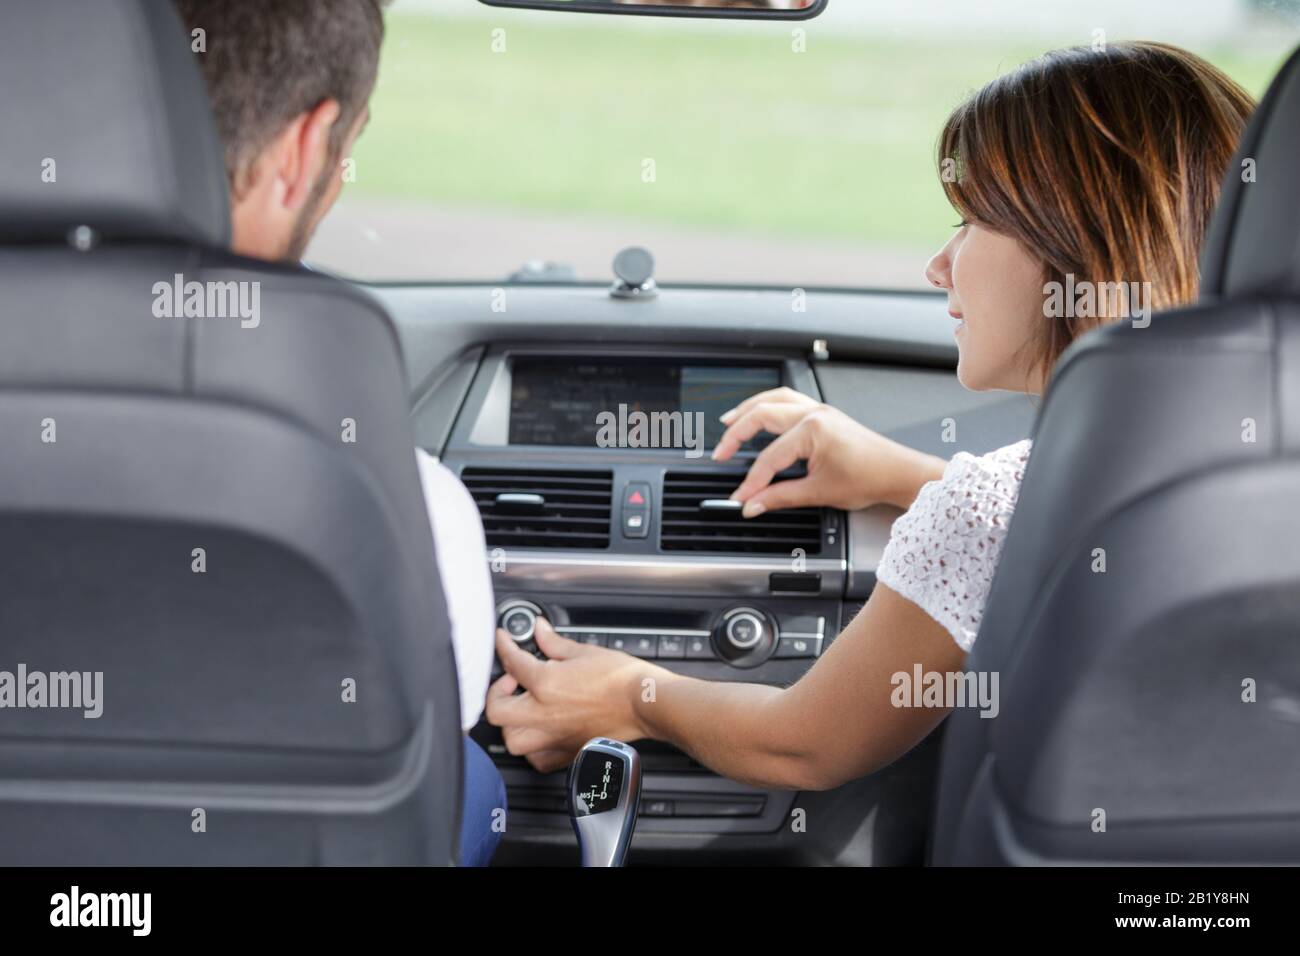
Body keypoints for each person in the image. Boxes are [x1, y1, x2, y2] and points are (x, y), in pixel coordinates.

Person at [487, 42, 1256, 787]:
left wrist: (630, 695)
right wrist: (902, 474)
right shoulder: (1257, 460)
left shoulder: (986, 511)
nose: (939, 264)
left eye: (973, 221)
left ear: (1080, 248)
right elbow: (1060, 520)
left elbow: (803, 746)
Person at [172, 0, 503, 865]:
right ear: (305, 149)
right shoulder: (410, 507)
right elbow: (449, 705)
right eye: (347, 147)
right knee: (470, 779)